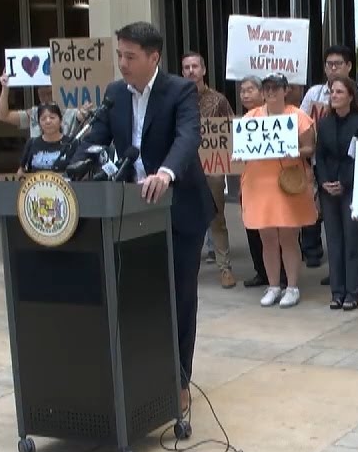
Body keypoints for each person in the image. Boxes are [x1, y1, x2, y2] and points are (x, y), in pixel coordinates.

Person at [83, 21, 214, 416]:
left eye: (130, 56)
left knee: (178, 297)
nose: (122, 63)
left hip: (179, 211)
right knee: (135, 296)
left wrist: (166, 173)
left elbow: (188, 138)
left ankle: (179, 379)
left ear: (153, 57)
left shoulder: (179, 90)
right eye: (119, 55)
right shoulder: (113, 94)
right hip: (129, 212)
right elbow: (96, 141)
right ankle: (138, 373)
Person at [301, 45, 358, 286]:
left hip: (355, 172)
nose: (333, 68)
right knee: (333, 226)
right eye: (329, 64)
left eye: (338, 63)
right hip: (325, 168)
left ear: (349, 66)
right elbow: (302, 123)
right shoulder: (314, 94)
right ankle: (339, 274)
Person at [243, 72, 318, 309]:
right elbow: (243, 146)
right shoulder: (251, 116)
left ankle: (292, 286)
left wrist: (294, 150)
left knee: (288, 237)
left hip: (288, 182)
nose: (271, 92)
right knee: (267, 238)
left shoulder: (298, 116)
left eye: (276, 88)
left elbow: (309, 147)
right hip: (259, 182)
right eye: (267, 88)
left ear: (285, 90)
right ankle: (274, 285)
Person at [316, 76, 358, 310]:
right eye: (332, 92)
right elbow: (319, 156)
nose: (335, 96)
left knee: (351, 240)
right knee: (334, 240)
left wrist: (344, 182)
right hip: (328, 188)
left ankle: (352, 293)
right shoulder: (325, 123)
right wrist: (324, 182)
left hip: (351, 187)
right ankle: (336, 292)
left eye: (340, 92)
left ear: (350, 96)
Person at [181, 51, 237, 289]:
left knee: (216, 218)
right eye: (187, 67)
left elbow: (232, 130)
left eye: (195, 66)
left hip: (212, 168)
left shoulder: (218, 100)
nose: (191, 71)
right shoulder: (176, 99)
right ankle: (187, 269)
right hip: (184, 168)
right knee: (186, 219)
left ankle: (225, 268)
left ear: (203, 70)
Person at [237, 76, 274, 288]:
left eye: (250, 89)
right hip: (248, 182)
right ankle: (261, 271)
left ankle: (280, 275)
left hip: (270, 183)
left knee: (273, 232)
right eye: (242, 91)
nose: (245, 94)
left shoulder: (273, 117)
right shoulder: (244, 121)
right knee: (252, 229)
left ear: (262, 93)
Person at [0, 72, 91, 137]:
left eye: (49, 93)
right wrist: (5, 88)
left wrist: (84, 115)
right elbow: (4, 116)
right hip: (38, 163)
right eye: (41, 94)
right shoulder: (34, 113)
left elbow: (85, 124)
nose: (45, 98)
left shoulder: (71, 112)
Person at [15, 103, 68, 174]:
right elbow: (21, 170)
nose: (48, 121)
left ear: (60, 120)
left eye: (52, 117)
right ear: (39, 123)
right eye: (43, 119)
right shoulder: (32, 143)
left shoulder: (71, 143)